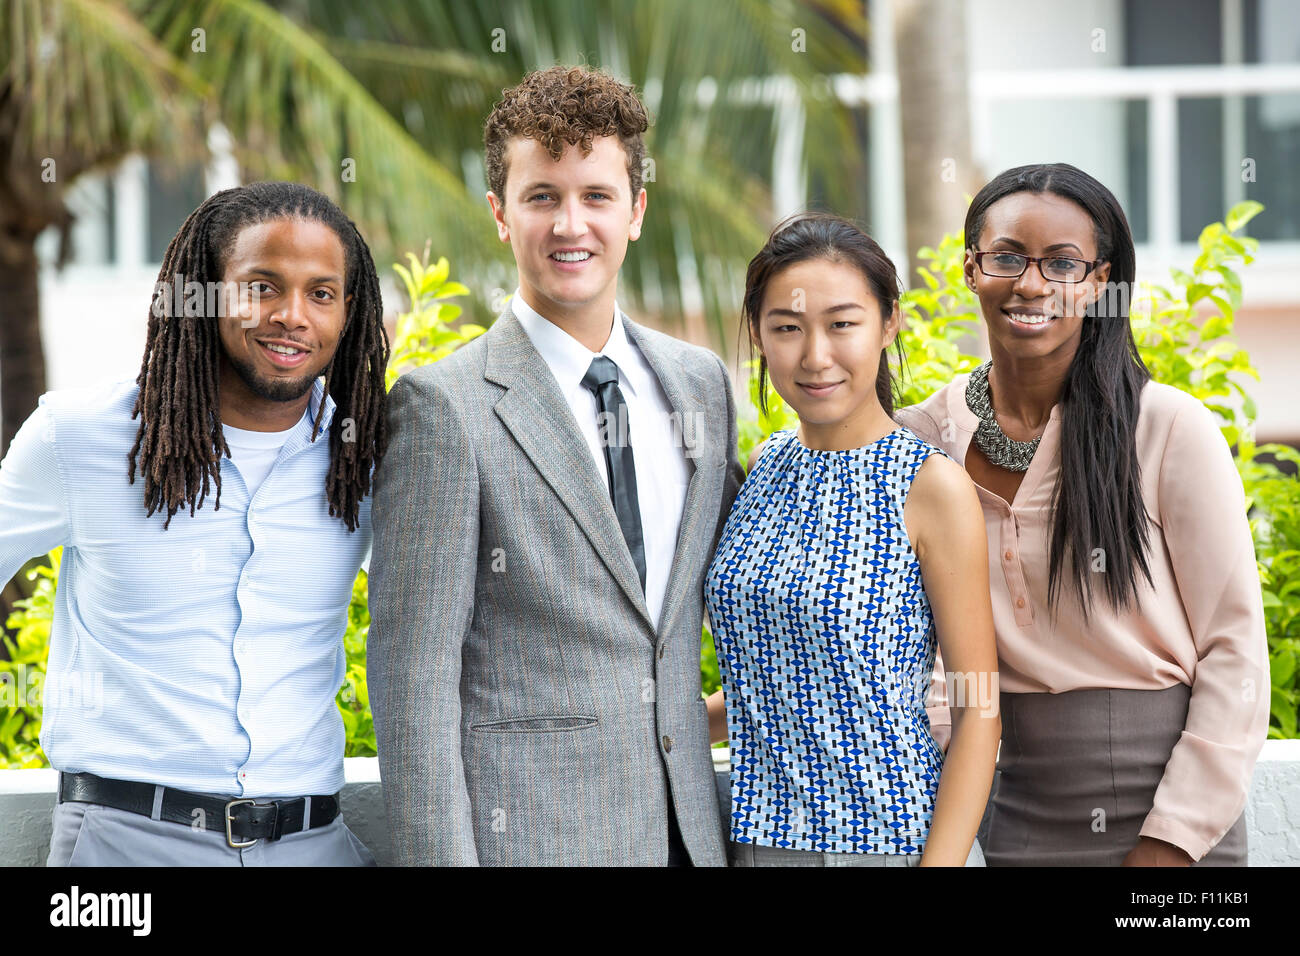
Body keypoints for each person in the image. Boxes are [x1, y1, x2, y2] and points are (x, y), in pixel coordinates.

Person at [368, 65, 744, 866]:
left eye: (596, 196)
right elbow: (413, 685)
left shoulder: (700, 385)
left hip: (691, 838)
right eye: (542, 197)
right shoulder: (443, 408)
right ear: (500, 215)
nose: (571, 225)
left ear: (636, 211)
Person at [0, 181, 388, 865]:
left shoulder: (365, 460)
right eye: (261, 287)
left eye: (321, 294)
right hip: (123, 849)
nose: (292, 316)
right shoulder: (77, 439)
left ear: (347, 311)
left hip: (313, 844)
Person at [897, 163, 1269, 866]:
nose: (1032, 284)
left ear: (1100, 282)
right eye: (1007, 257)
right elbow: (911, 642)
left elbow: (1235, 647)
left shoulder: (1166, 428)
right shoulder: (919, 442)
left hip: (1171, 810)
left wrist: (1172, 840)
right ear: (971, 269)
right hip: (1015, 812)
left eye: (1063, 264)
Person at [703, 212, 1001, 867]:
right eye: (787, 328)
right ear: (758, 335)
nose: (815, 356)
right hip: (758, 845)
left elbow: (978, 709)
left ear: (889, 323)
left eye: (842, 324)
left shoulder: (930, 487)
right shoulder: (764, 464)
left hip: (890, 845)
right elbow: (779, 675)